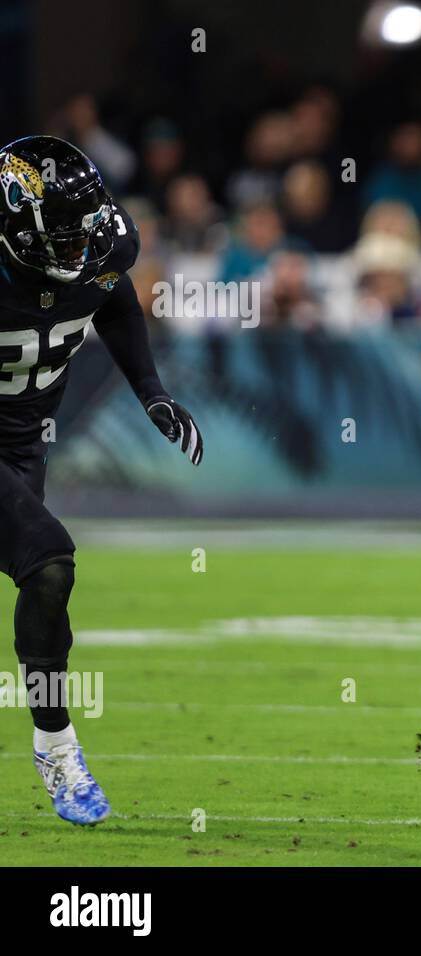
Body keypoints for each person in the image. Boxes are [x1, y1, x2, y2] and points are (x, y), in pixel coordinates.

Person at [0, 136, 203, 825]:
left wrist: (150, 390)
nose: (83, 245)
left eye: (87, 227)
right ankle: (58, 748)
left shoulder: (104, 244)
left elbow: (111, 299)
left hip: (24, 445)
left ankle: (53, 747)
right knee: (51, 563)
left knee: (44, 574)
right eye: (63, 232)